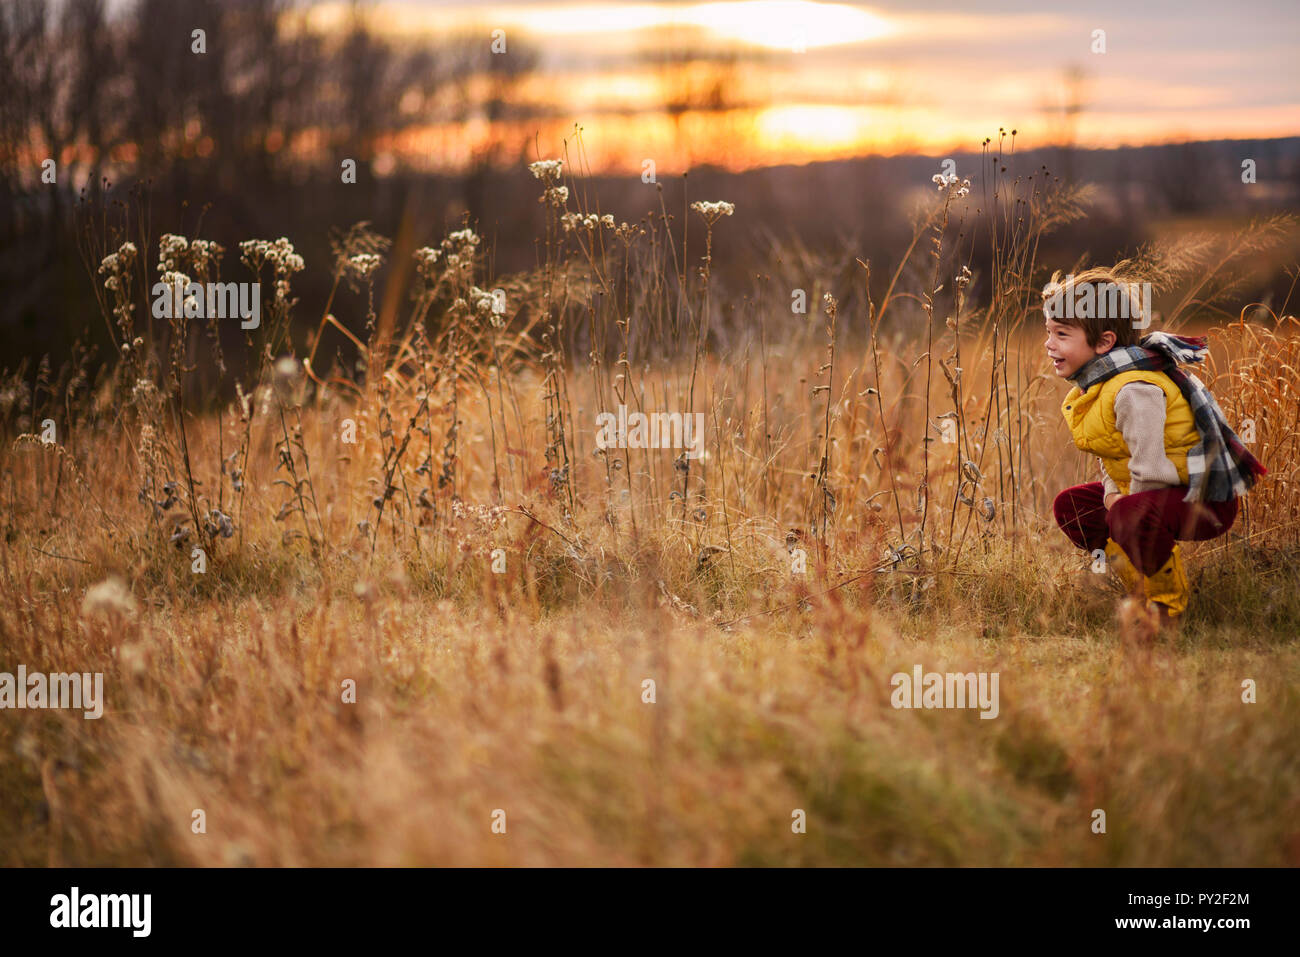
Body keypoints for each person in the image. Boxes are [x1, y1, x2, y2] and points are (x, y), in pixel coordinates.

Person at [1043, 267, 1266, 629]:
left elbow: (1152, 472)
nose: (1049, 344)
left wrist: (1122, 507)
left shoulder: (1134, 391)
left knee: (1126, 514)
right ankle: (1139, 588)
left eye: (1062, 334)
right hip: (1153, 492)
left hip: (1204, 497)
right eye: (1049, 333)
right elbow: (1112, 455)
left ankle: (1168, 608)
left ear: (1103, 343)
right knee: (1073, 507)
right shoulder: (1096, 387)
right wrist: (1112, 496)